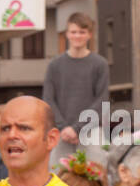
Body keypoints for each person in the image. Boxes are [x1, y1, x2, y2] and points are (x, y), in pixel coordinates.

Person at [42, 13, 110, 163]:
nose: (77, 36)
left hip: (91, 131)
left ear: (89, 35)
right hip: (61, 132)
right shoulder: (55, 65)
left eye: (82, 32)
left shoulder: (100, 64)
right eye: (73, 32)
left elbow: (102, 100)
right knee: (58, 178)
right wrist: (64, 128)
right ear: (67, 34)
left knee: (95, 178)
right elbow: (48, 99)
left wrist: (77, 128)